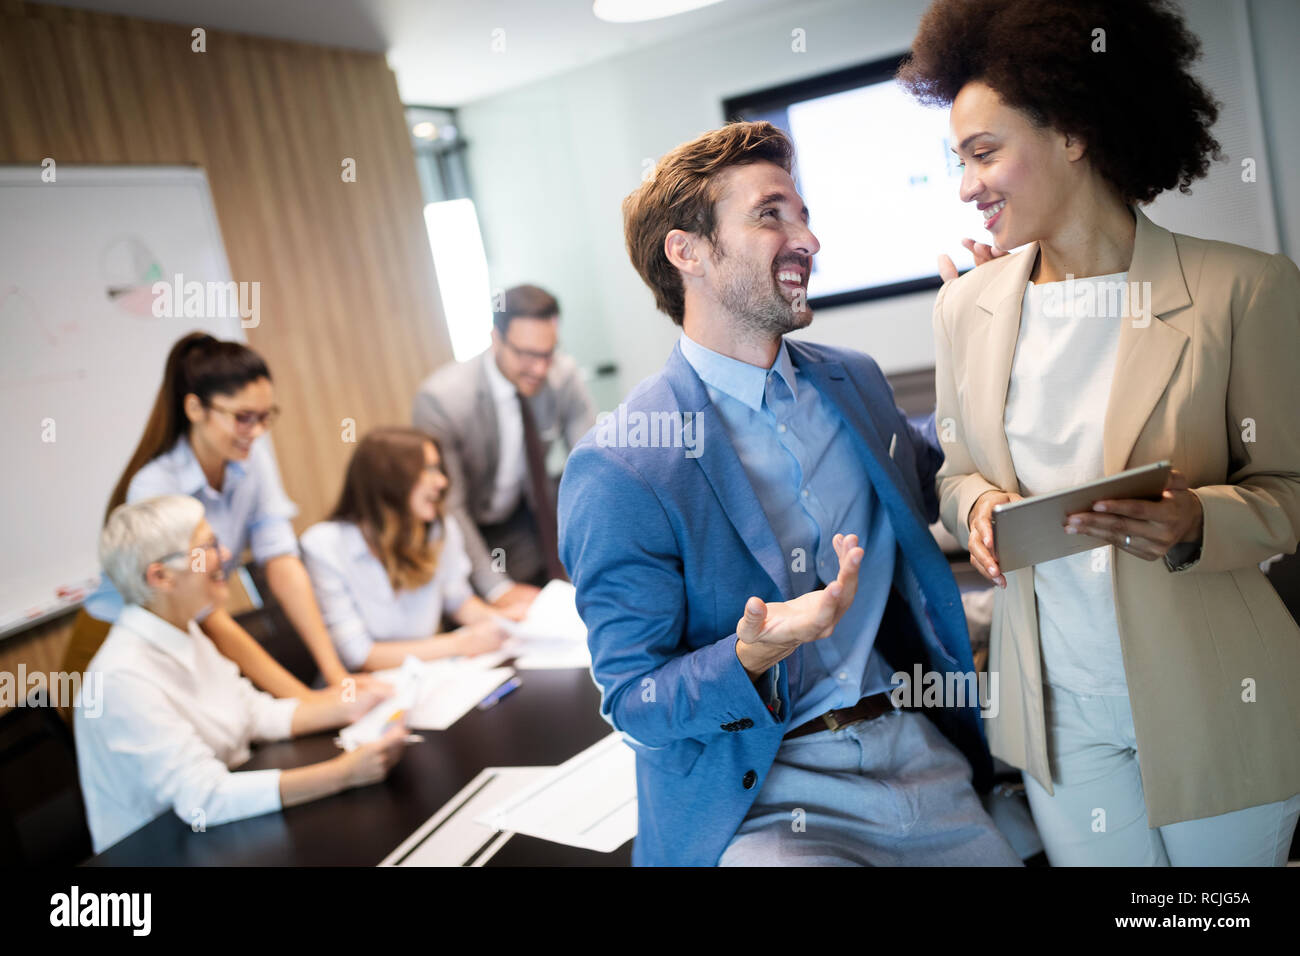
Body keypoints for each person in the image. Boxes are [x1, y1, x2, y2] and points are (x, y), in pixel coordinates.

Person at [900, 0, 1300, 865]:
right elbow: (958, 471)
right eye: (958, 160)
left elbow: (1288, 489)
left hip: (1212, 696)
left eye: (983, 151)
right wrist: (975, 510)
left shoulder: (1246, 290)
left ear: (1074, 132)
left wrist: (1198, 519)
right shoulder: (966, 308)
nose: (967, 185)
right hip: (1058, 712)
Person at [558, 121, 1020, 867]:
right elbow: (636, 704)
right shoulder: (620, 465)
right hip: (765, 797)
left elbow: (946, 464)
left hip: (917, 752)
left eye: (802, 214)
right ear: (689, 252)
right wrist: (747, 655)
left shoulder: (853, 380)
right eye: (771, 214)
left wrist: (997, 336)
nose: (806, 237)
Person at [75, 496, 407, 853]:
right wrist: (343, 774)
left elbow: (250, 713)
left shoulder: (184, 630)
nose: (227, 553)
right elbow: (204, 798)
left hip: (220, 835)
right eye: (208, 547)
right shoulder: (119, 680)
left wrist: (345, 705)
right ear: (160, 576)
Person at [86, 332, 383, 698]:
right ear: (195, 409)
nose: (256, 432)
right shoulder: (154, 486)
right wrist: (307, 701)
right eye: (243, 418)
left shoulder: (250, 457)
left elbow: (281, 561)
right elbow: (207, 614)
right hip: (123, 639)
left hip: (189, 625)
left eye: (265, 417)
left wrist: (336, 674)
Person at [412, 285, 596, 614]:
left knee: (555, 612)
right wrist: (497, 588)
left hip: (527, 520)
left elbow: (592, 468)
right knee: (497, 624)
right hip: (464, 529)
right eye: (526, 354)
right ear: (496, 339)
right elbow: (449, 506)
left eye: (547, 353)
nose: (539, 368)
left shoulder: (563, 377)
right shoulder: (443, 401)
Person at [300, 427, 510, 671]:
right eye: (429, 469)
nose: (442, 481)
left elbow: (458, 601)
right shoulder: (324, 545)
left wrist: (508, 620)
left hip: (433, 674)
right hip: (371, 692)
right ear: (388, 478)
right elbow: (358, 655)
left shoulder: (440, 529)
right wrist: (461, 643)